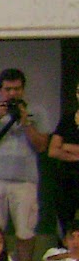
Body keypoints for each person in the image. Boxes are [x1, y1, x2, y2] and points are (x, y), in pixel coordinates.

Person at [0, 67, 48, 261]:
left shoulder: (37, 112)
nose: (12, 93)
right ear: (1, 90)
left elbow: (42, 146)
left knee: (26, 228)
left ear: (23, 90)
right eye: (8, 89)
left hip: (25, 179)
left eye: (17, 89)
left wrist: (26, 122)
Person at [47, 78, 79, 237]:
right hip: (67, 180)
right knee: (65, 222)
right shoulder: (67, 119)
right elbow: (53, 150)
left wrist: (66, 146)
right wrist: (75, 156)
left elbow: (61, 147)